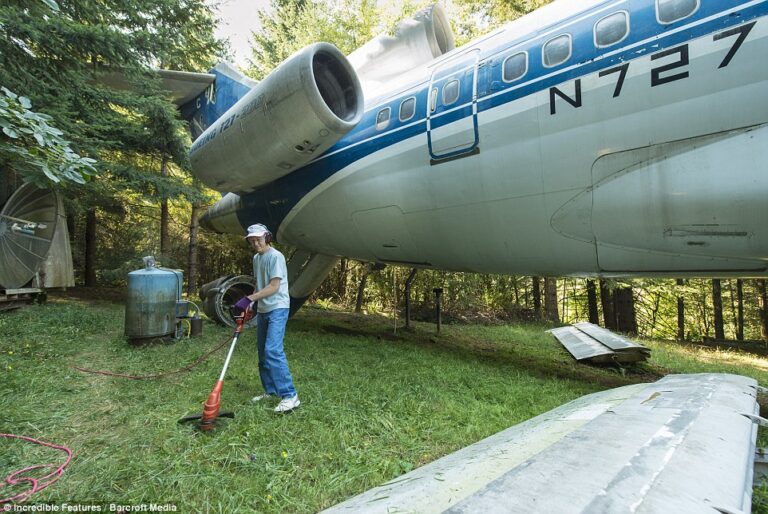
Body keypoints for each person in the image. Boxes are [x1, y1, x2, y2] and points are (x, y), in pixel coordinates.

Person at [235, 223, 300, 413]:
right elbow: (260, 283)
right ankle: (271, 391)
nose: (256, 244)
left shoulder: (276, 257)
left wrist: (249, 298)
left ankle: (290, 396)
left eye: (258, 239)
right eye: (252, 241)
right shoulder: (257, 258)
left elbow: (274, 286)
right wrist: (251, 303)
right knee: (263, 352)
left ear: (267, 238)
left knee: (273, 350)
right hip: (263, 308)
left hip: (278, 307)